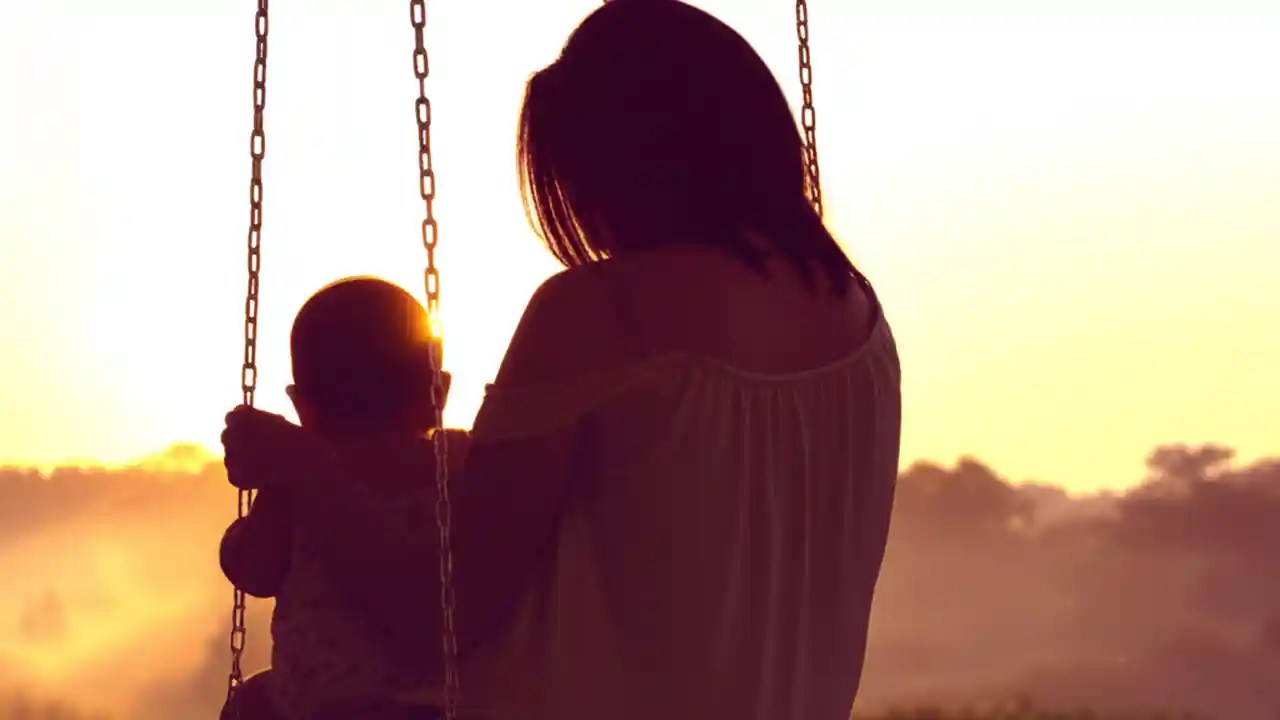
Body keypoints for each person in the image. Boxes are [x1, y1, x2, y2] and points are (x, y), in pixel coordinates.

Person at [221, 1, 902, 718]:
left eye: (577, 179)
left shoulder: (600, 314)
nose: (581, 213)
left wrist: (302, 467)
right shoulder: (861, 324)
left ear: (632, 166)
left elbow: (440, 616)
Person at [219, 277, 453, 720]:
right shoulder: (448, 467)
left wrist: (236, 540)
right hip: (424, 703)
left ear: (302, 405)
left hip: (314, 704)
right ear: (436, 393)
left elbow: (256, 570)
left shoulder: (298, 475)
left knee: (246, 705)